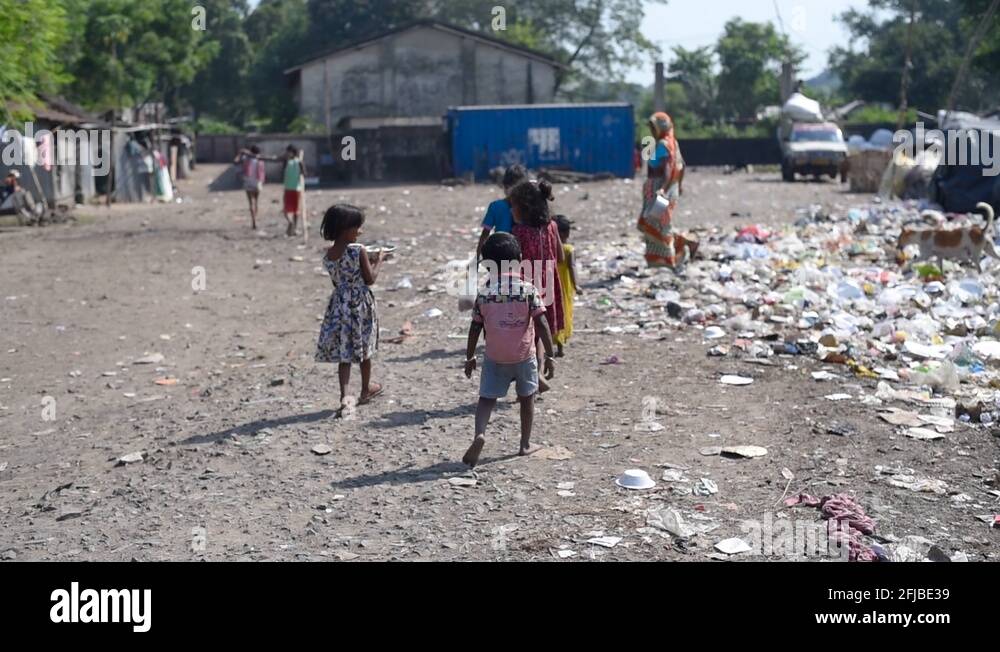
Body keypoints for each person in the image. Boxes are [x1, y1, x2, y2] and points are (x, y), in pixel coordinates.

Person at [463, 232, 555, 468]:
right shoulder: (528, 290)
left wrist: (470, 356)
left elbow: (474, 328)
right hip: (524, 355)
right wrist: (551, 355)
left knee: (486, 399)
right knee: (527, 399)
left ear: (487, 265)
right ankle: (524, 444)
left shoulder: (484, 293)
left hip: (495, 356)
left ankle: (479, 434)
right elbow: (542, 322)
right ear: (519, 259)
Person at [315, 204, 387, 412]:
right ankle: (365, 390)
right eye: (358, 227)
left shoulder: (328, 255)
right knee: (365, 350)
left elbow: (338, 282)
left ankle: (345, 394)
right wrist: (379, 260)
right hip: (360, 305)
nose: (360, 231)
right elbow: (370, 279)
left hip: (339, 306)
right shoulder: (358, 250)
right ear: (346, 229)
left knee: (344, 353)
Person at [510, 179, 564, 392]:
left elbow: (512, 261)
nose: (511, 209)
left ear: (524, 207)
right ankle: (538, 375)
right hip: (548, 283)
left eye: (513, 205)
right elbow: (559, 255)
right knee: (539, 333)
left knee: (526, 334)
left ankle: (532, 377)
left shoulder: (519, 232)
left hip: (526, 287)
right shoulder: (551, 226)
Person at [637, 112, 696, 270]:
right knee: (658, 222)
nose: (651, 131)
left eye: (653, 127)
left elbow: (668, 169)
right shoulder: (672, 143)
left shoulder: (663, 145)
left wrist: (663, 188)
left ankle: (666, 259)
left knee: (655, 223)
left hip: (660, 190)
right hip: (668, 189)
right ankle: (676, 249)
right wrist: (679, 185)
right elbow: (681, 166)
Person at [475, 165, 528, 260]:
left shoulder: (496, 206)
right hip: (524, 253)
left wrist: (478, 256)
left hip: (501, 253)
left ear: (504, 187)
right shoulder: (531, 206)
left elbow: (485, 234)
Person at [553, 215, 581, 357]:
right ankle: (560, 346)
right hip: (564, 286)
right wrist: (577, 285)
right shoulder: (569, 249)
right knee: (563, 313)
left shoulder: (550, 248)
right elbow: (572, 268)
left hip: (552, 286)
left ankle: (548, 343)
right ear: (565, 233)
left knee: (553, 313)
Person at [234, 145, 267, 230]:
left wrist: (240, 152)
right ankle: (255, 220)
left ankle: (253, 221)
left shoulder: (246, 158)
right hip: (257, 182)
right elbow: (263, 172)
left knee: (251, 203)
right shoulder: (260, 160)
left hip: (248, 182)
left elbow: (236, 161)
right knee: (256, 202)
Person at [282, 145, 307, 237]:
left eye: (288, 152)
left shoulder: (298, 162)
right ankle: (291, 223)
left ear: (292, 152)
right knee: (286, 211)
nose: (287, 154)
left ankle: (294, 229)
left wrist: (301, 170)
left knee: (295, 210)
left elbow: (304, 173)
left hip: (296, 189)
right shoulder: (287, 161)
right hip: (289, 189)